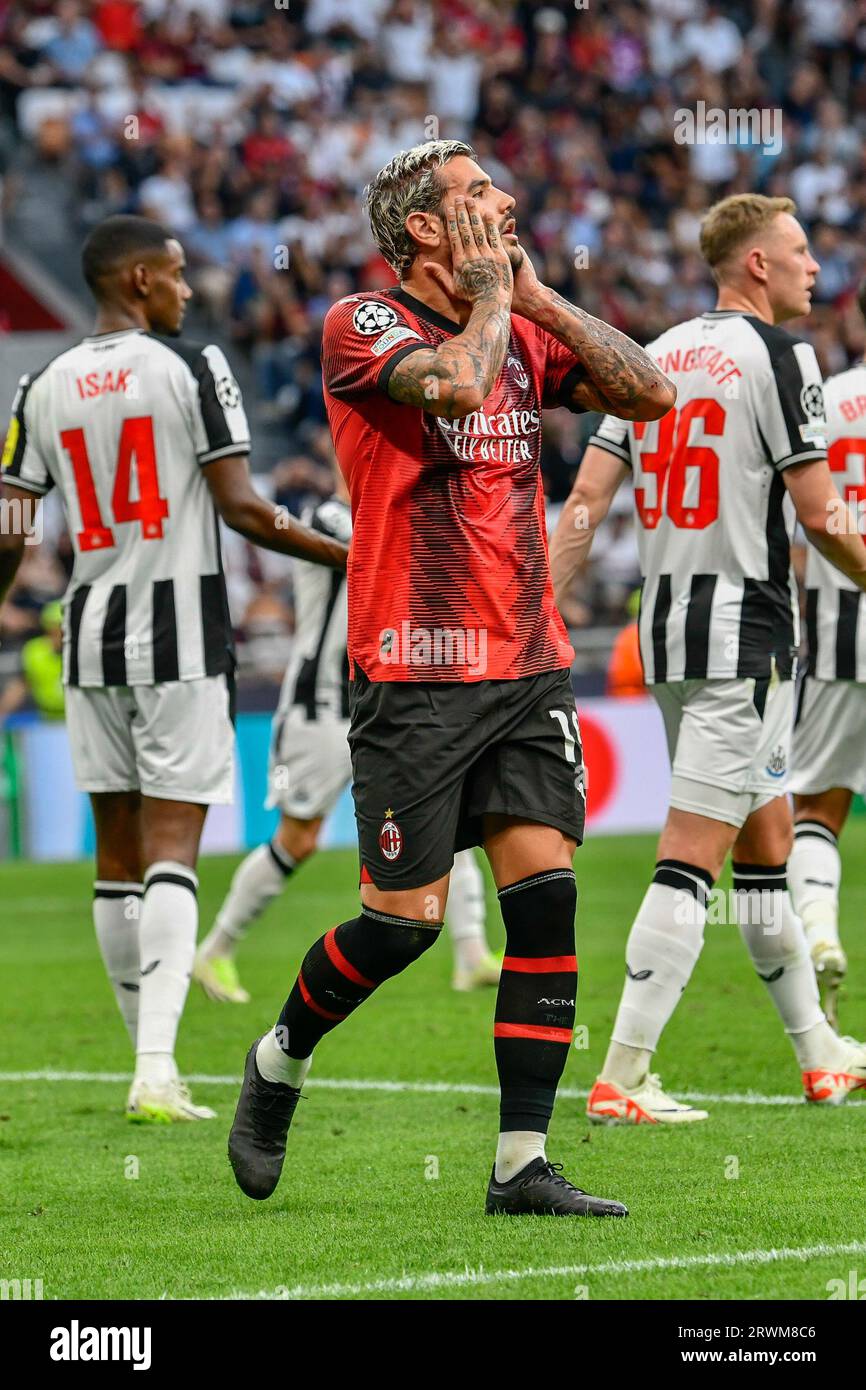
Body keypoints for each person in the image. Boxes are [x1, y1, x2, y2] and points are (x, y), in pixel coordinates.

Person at [228, 138, 674, 1216]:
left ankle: (520, 1163)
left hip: (525, 661)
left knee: (548, 900)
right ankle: (278, 1058)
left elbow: (649, 390)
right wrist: (491, 305)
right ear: (424, 229)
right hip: (414, 668)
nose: (506, 200)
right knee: (402, 925)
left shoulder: (517, 318)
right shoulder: (361, 324)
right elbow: (458, 385)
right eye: (479, 195)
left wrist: (537, 298)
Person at [0, 215, 348, 1123]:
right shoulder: (192, 365)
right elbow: (243, 507)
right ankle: (155, 1069)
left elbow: (11, 524)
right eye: (182, 274)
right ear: (143, 280)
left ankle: (148, 1059)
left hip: (87, 636)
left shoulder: (43, 383)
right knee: (171, 851)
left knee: (114, 857)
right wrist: (347, 556)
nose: (191, 291)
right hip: (182, 636)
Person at [550, 193, 866, 1124]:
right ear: (756, 265)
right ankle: (623, 1075)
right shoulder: (781, 355)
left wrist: (536, 601)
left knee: (766, 848)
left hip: (668, 636)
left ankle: (820, 1058)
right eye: (801, 250)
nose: (816, 267)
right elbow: (821, 515)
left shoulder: (646, 357)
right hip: (748, 638)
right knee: (692, 856)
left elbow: (585, 502)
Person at [194, 467, 500, 1002]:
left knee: (445, 824)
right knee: (299, 838)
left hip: (382, 708)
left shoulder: (378, 517)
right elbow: (394, 565)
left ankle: (471, 954)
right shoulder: (327, 518)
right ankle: (215, 950)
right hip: (322, 707)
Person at [787, 279, 866, 1030]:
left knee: (817, 807)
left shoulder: (828, 400)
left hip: (843, 633)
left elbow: (803, 529)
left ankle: (820, 930)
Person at [0, 600, 65, 725]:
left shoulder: (82, 651)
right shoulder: (34, 651)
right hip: (46, 720)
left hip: (78, 718)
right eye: (57, 628)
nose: (61, 634)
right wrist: (2, 713)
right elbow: (22, 684)